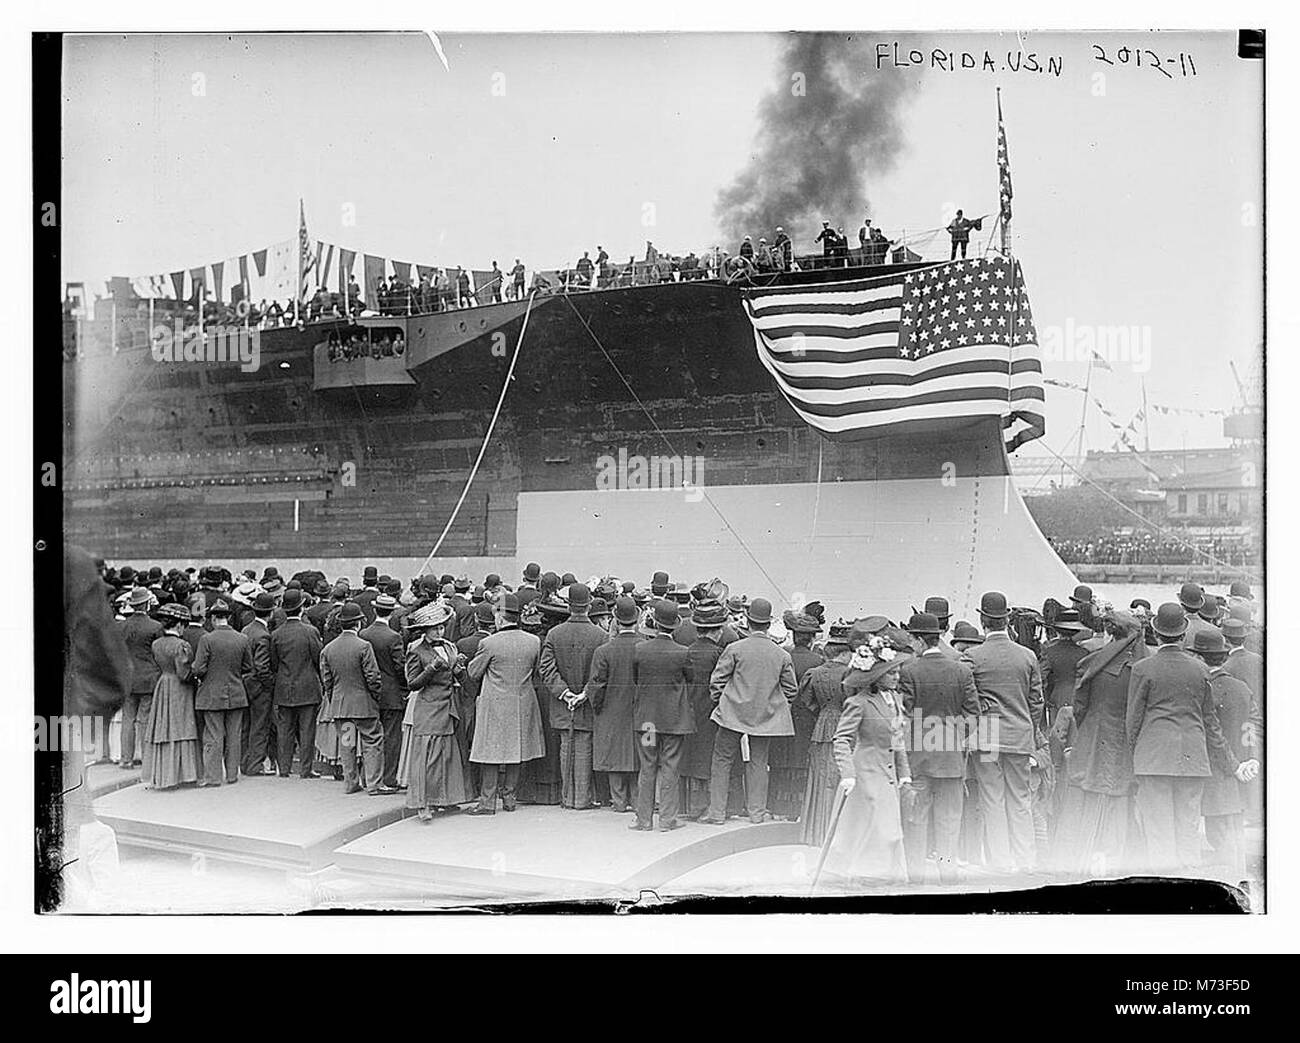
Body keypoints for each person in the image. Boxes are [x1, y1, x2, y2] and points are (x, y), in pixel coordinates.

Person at [1126, 603, 1251, 872]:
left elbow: (1133, 721)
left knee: (1158, 832)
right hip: (1193, 759)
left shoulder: (1142, 669)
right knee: (1188, 830)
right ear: (1183, 635)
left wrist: (1135, 757)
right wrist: (1231, 764)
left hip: (1153, 758)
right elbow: (1210, 724)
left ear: (1156, 634)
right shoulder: (1201, 670)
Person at [1051, 609, 1147, 876]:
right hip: (1123, 742)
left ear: (1109, 633)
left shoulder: (1093, 664)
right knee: (1119, 798)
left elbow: (1080, 708)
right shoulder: (1141, 666)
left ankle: (1077, 859)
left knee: (1084, 797)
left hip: (1091, 740)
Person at [961, 591, 1044, 874]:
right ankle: (1026, 860)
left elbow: (968, 701)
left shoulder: (971, 657)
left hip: (987, 738)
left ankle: (1000, 862)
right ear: (1007, 619)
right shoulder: (1028, 656)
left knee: (991, 798)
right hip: (1020, 736)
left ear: (982, 620)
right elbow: (1036, 703)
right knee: (1020, 798)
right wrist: (1028, 729)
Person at [820, 644, 914, 888]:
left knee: (888, 830)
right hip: (865, 773)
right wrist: (848, 773)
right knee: (877, 829)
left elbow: (898, 739)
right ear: (875, 676)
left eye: (897, 671)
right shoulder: (859, 702)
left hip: (888, 774)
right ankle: (868, 876)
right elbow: (841, 739)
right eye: (891, 672)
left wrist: (905, 773)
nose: (897, 676)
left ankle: (882, 876)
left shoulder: (894, 698)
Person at [898, 612, 979, 884]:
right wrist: (954, 737)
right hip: (952, 759)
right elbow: (973, 714)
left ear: (920, 640)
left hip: (918, 758)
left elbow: (905, 716)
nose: (911, 644)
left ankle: (916, 879)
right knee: (948, 821)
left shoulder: (909, 671)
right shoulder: (962, 670)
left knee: (916, 820)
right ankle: (948, 876)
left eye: (912, 639)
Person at [701, 597, 798, 825]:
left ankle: (717, 812)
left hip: (732, 714)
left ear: (748, 621)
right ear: (768, 623)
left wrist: (723, 703)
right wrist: (773, 708)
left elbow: (717, 682)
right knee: (758, 763)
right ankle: (756, 813)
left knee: (722, 761)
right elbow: (791, 690)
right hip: (765, 718)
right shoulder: (782, 655)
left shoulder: (734, 649)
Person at [466, 594, 546, 814]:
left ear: (500, 618)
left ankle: (487, 802)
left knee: (490, 752)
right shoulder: (533, 641)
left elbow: (473, 673)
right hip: (523, 701)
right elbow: (537, 671)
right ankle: (509, 798)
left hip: (495, 703)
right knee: (516, 750)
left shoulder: (488, 643)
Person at [1191, 628, 1261, 883]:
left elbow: (1213, 735)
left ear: (1200, 658)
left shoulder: (1205, 689)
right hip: (1240, 772)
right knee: (1234, 834)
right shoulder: (1241, 687)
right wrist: (1251, 758)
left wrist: (1234, 765)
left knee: (1219, 836)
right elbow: (1252, 723)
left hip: (1217, 772)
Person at [538, 583, 608, 810]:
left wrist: (564, 693)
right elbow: (600, 674)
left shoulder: (554, 634)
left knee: (565, 746)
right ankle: (582, 798)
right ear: (588, 605)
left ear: (568, 606)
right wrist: (584, 694)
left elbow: (546, 669)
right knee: (584, 745)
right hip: (587, 704)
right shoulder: (601, 635)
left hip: (562, 703)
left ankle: (567, 797)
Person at [629, 600, 695, 831]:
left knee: (647, 766)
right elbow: (691, 679)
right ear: (674, 626)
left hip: (648, 722)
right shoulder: (683, 653)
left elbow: (636, 679)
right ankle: (667, 820)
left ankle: (643, 819)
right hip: (674, 722)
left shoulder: (640, 650)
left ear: (655, 623)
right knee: (670, 767)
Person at [403, 602, 469, 820]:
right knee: (428, 758)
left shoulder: (450, 647)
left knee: (447, 756)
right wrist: (432, 668)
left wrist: (459, 668)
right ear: (425, 630)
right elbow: (412, 683)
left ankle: (445, 800)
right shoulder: (417, 651)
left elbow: (457, 676)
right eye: (435, 628)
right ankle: (423, 804)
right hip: (429, 708)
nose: (440, 631)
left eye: (442, 627)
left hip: (449, 706)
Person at [320, 602, 391, 795]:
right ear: (358, 623)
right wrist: (374, 697)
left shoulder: (328, 649)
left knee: (347, 743)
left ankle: (351, 782)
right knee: (372, 741)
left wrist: (334, 698)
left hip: (341, 705)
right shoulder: (363, 646)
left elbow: (327, 680)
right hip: (363, 705)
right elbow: (373, 677)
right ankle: (374, 783)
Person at [798, 621, 853, 846]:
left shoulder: (815, 673)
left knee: (821, 780)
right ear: (845, 652)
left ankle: (816, 833)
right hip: (845, 727)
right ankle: (837, 836)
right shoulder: (851, 675)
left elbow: (806, 702)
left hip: (821, 727)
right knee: (842, 779)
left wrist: (823, 712)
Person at [585, 596, 642, 814]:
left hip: (611, 709)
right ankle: (638, 800)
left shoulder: (604, 651)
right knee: (640, 754)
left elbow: (596, 684)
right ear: (636, 620)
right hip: (640, 711)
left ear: (616, 620)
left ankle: (618, 801)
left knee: (613, 755)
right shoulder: (644, 646)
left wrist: (597, 707)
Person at [192, 599, 254, 785]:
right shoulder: (242, 639)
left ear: (212, 618)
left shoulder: (207, 639)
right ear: (228, 618)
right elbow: (248, 666)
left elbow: (199, 669)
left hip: (211, 693)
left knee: (213, 734)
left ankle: (213, 776)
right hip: (236, 692)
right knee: (234, 735)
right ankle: (232, 775)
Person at [768, 611, 823, 818]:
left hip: (781, 714)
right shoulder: (818, 660)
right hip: (808, 717)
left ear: (793, 635)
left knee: (780, 759)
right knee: (801, 760)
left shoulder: (782, 655)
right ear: (813, 638)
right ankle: (798, 808)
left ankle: (776, 807)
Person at [142, 603, 201, 789]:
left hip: (163, 684)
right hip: (179, 688)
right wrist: (196, 678)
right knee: (181, 727)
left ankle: (164, 775)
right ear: (178, 625)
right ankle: (184, 774)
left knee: (164, 728)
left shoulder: (156, 644)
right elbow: (184, 673)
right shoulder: (182, 645)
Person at [270, 588, 323, 778]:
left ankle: (284, 769)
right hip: (308, 687)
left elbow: (274, 664)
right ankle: (306, 769)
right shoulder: (311, 632)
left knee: (284, 731)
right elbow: (318, 659)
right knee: (307, 730)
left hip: (284, 687)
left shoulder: (276, 634)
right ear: (301, 609)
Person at [360, 594, 409, 791]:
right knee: (391, 738)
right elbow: (399, 667)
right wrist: (405, 687)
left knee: (369, 737)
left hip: (369, 692)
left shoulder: (363, 634)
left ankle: (368, 777)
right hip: (391, 694)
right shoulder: (393, 637)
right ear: (392, 612)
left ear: (374, 610)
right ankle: (388, 778)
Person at [118, 586, 162, 772]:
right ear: (146, 604)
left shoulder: (121, 626)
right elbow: (158, 653)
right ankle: (147, 759)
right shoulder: (155, 627)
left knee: (128, 719)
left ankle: (126, 759)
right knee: (144, 720)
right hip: (148, 678)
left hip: (127, 679)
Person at [239, 592, 276, 775]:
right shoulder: (264, 635)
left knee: (246, 726)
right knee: (260, 726)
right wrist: (269, 685)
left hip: (244, 683)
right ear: (270, 613)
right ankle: (255, 765)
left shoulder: (245, 630)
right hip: (259, 687)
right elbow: (262, 667)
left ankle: (245, 763)